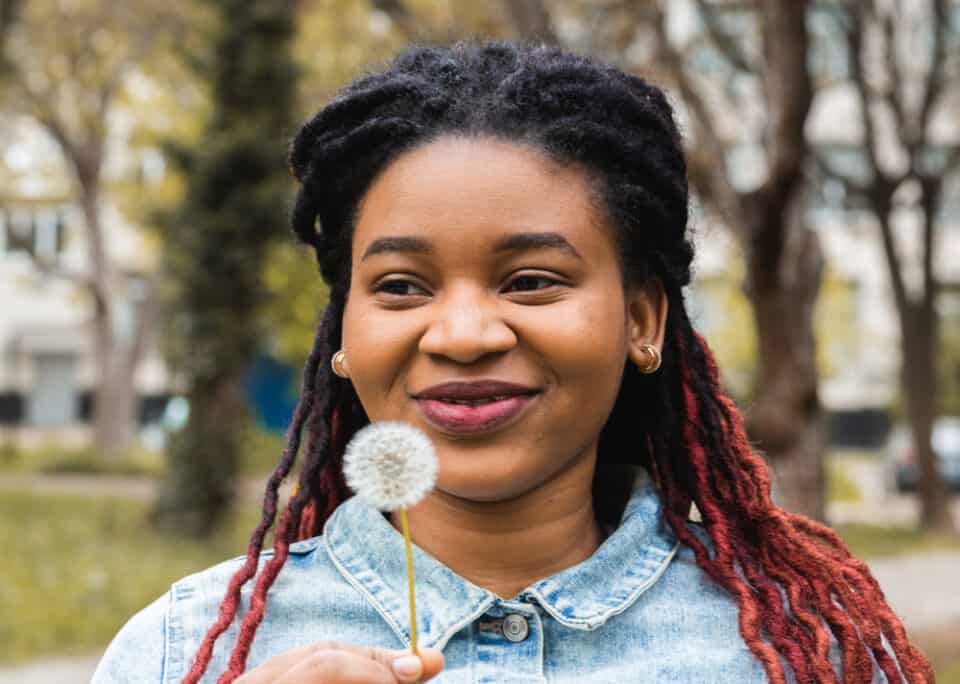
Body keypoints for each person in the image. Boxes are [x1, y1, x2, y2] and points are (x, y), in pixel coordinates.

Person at [92, 41, 932, 684]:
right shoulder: (184, 652)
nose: (461, 334)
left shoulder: (810, 646)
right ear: (342, 332)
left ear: (642, 319)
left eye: (531, 281)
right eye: (400, 285)